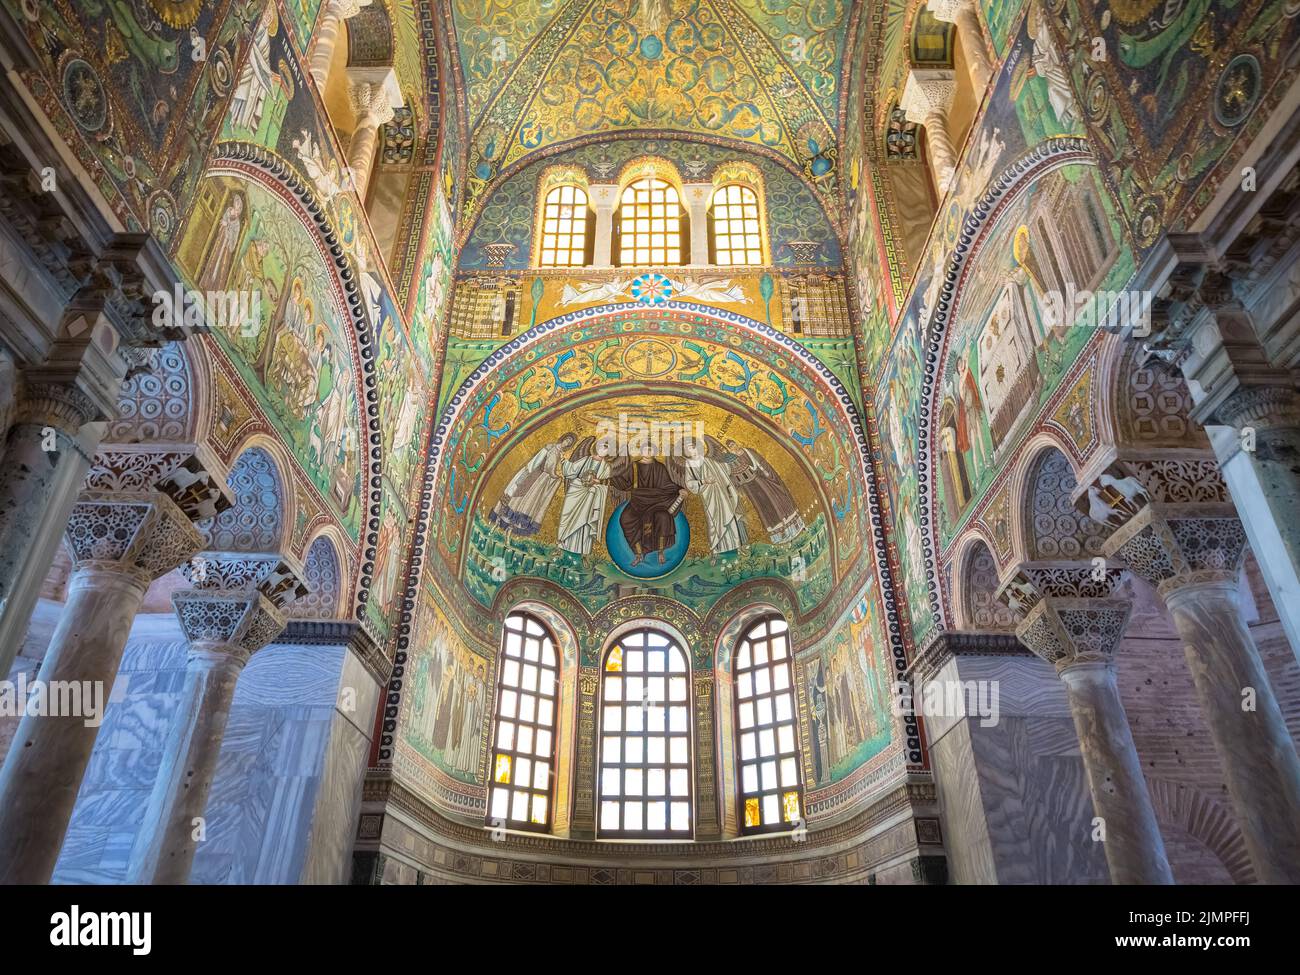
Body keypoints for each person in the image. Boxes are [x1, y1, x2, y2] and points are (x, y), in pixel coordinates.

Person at [609, 444, 687, 568]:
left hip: (657, 502)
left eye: (651, 449)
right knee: (626, 519)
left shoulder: (660, 467)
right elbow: (621, 481)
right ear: (641, 451)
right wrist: (604, 480)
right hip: (637, 502)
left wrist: (679, 489)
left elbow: (668, 485)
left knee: (663, 517)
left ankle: (661, 552)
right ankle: (639, 554)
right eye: (645, 449)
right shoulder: (633, 467)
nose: (648, 451)